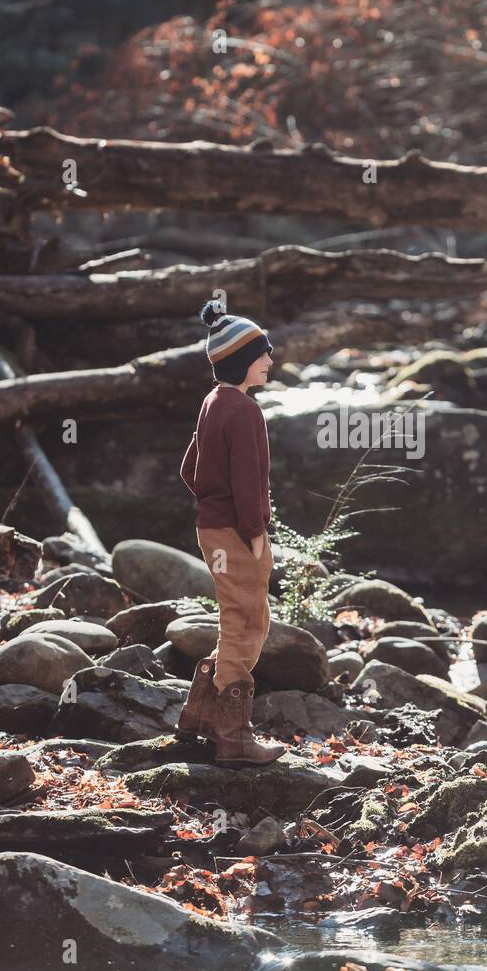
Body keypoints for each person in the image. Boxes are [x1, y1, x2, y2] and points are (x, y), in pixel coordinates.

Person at [175, 299, 286, 765]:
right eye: (263, 354)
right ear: (242, 360)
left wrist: (210, 502)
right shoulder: (244, 411)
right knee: (248, 622)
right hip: (238, 533)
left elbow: (189, 467)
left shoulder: (212, 402)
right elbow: (250, 479)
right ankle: (234, 739)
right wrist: (255, 530)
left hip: (212, 529)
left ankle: (199, 717)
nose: (270, 360)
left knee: (233, 619)